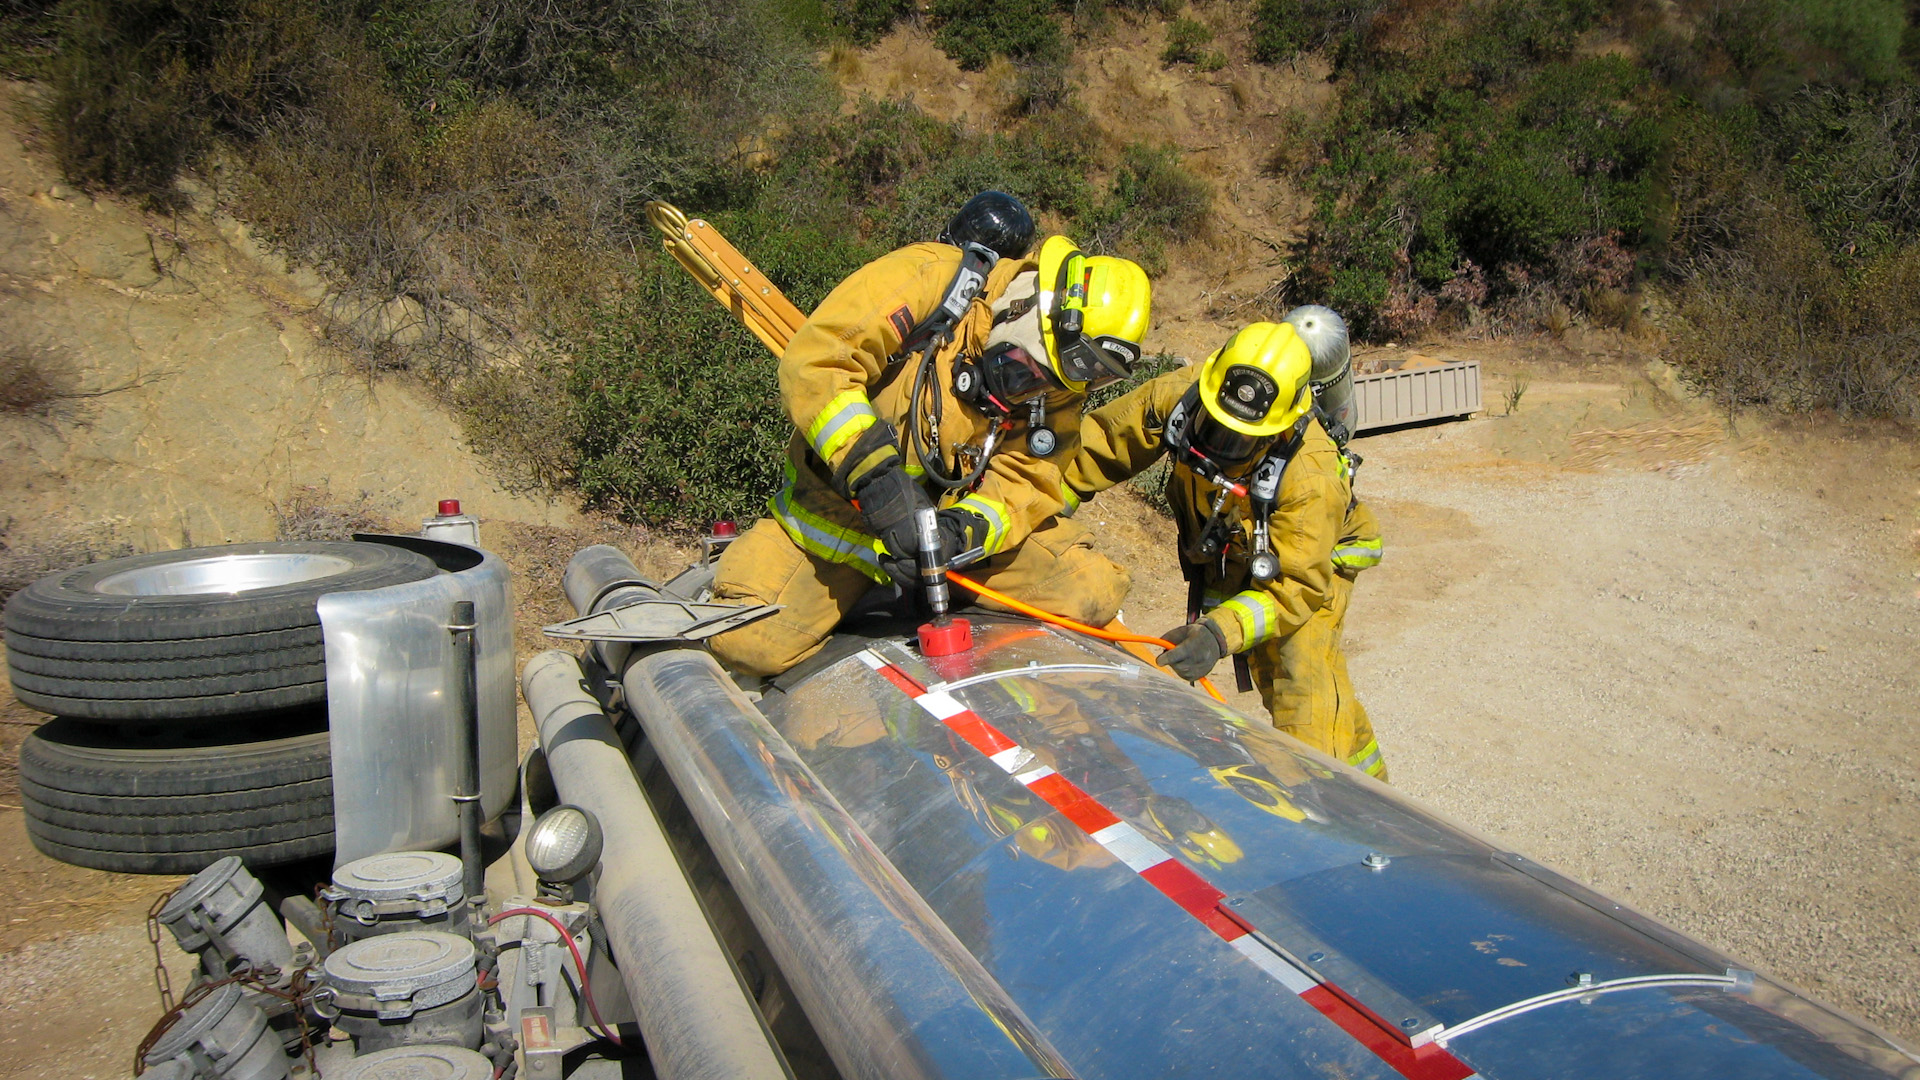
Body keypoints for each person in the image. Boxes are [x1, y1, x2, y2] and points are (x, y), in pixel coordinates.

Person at [708, 196, 1154, 678]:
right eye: (1022, 369)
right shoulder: (927, 277)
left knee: (1090, 588)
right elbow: (819, 362)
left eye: (1047, 385)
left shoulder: (1061, 378)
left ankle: (942, 589)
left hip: (943, 543)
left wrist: (963, 533)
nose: (1028, 391)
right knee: (747, 642)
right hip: (837, 526)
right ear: (1022, 312)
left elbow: (1028, 479)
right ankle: (859, 593)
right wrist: (877, 480)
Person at [1063, 317, 1387, 779]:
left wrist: (1217, 636)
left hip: (1316, 565)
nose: (1218, 450)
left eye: (1240, 443)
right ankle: (1375, 791)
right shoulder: (1179, 397)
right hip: (1245, 548)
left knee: (1301, 689)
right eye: (1214, 428)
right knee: (1315, 699)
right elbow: (1090, 452)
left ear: (1281, 431)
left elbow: (1296, 587)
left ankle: (1336, 813)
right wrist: (1033, 519)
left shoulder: (1310, 477)